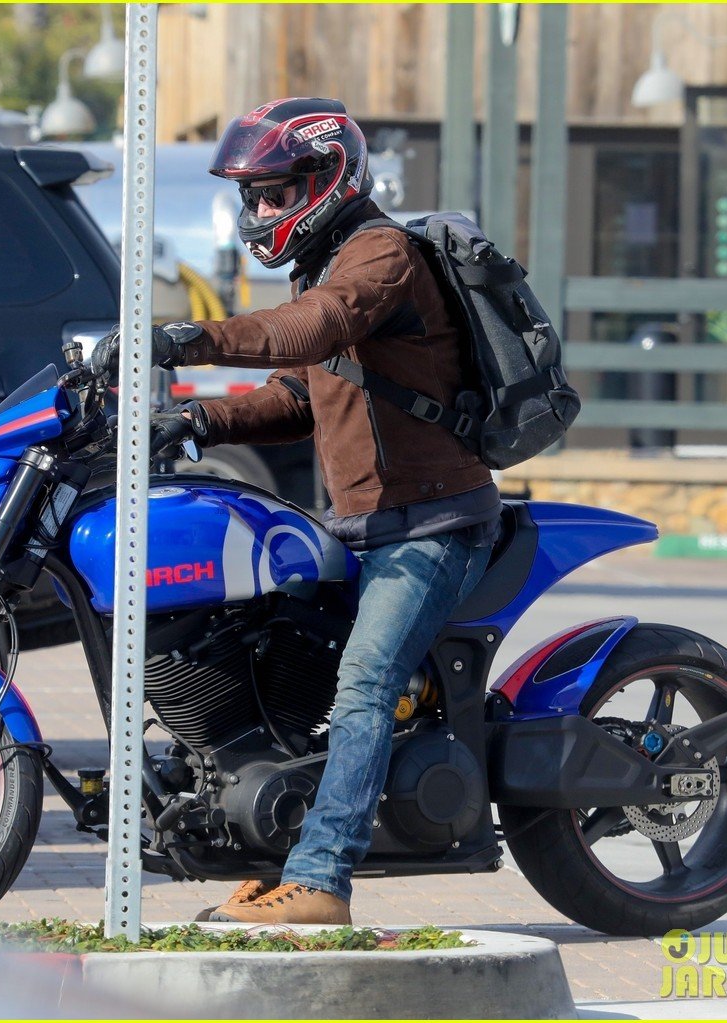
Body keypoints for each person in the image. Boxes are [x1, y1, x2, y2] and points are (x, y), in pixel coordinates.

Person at [92, 97, 501, 925]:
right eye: (254, 197)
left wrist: (188, 339)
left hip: (433, 523)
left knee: (361, 686)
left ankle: (321, 881)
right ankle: (278, 853)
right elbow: (298, 392)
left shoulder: (381, 254)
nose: (262, 212)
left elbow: (314, 330)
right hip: (363, 526)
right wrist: (198, 420)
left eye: (277, 192)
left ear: (330, 176)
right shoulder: (322, 264)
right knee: (270, 660)